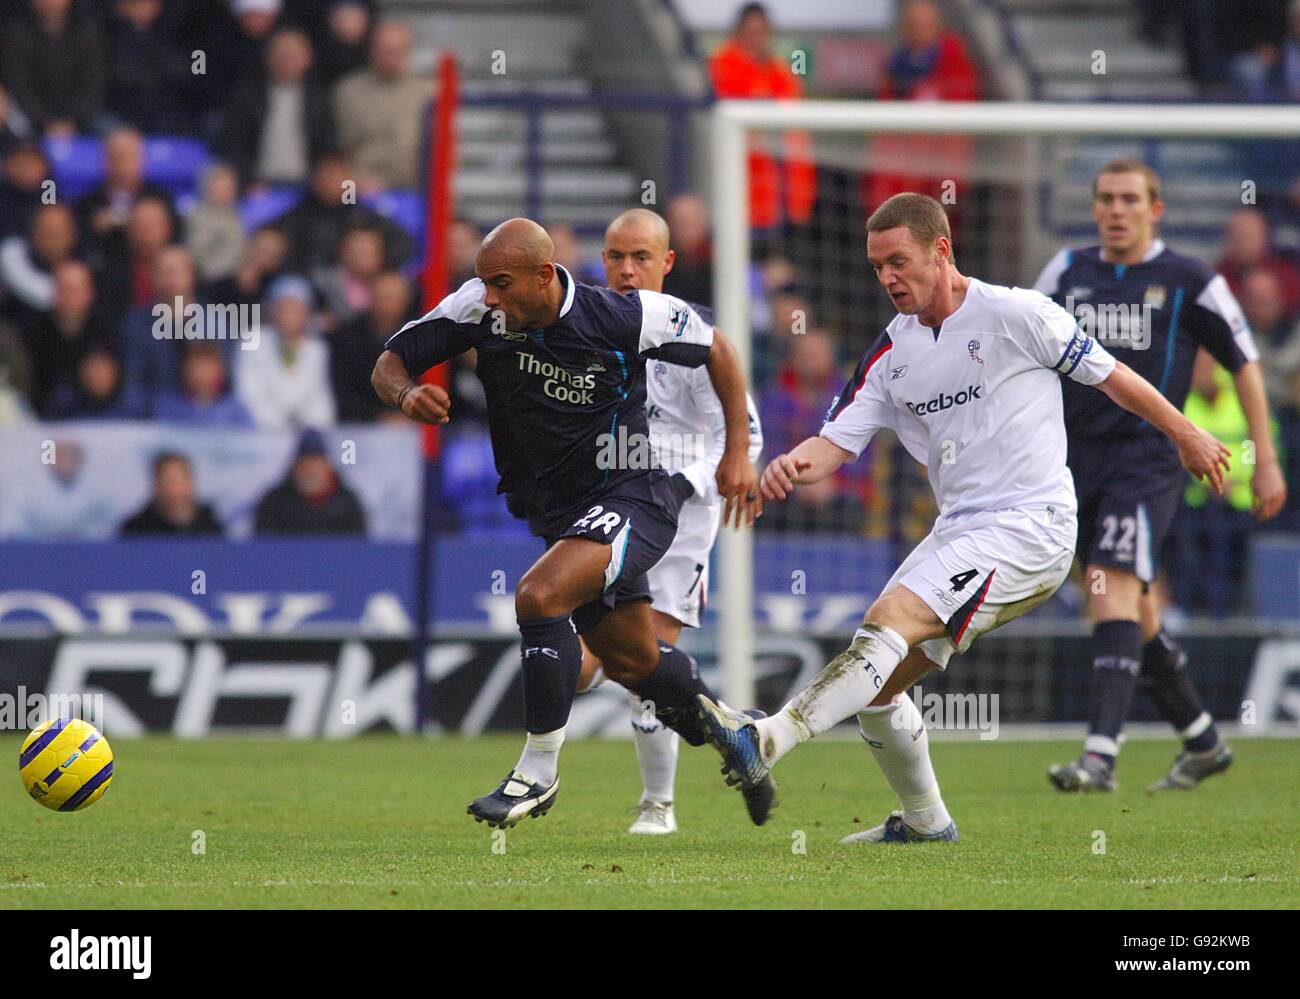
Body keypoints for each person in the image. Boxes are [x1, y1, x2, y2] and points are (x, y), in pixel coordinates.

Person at [696, 192, 1231, 838]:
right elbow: (836, 441)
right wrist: (792, 464)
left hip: (1032, 524)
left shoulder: (1017, 313)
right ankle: (925, 821)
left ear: (941, 249)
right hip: (960, 531)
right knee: (877, 685)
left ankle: (768, 736)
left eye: (899, 260)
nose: (888, 277)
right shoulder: (891, 353)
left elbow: (1114, 377)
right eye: (876, 266)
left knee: (884, 622)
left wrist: (1185, 433)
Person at [372, 217, 764, 828]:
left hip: (636, 495)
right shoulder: (480, 309)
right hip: (561, 512)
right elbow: (390, 360)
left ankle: (538, 773)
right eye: (484, 284)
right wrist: (404, 395)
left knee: (539, 595)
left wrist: (737, 449)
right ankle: (733, 730)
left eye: (502, 283)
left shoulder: (623, 317)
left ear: (544, 275)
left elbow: (720, 349)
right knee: (635, 663)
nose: (491, 297)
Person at [1034, 159, 1286, 792]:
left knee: (1111, 589)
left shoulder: (1188, 279)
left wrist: (1267, 460)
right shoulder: (1065, 273)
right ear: (1093, 208)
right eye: (1106, 199)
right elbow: (1025, 352)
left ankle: (1099, 757)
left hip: (1147, 459)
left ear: (1157, 208)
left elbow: (1244, 364)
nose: (1117, 210)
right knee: (1134, 607)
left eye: (1130, 199)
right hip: (1073, 462)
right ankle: (1202, 740)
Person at [571, 208, 763, 835]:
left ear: (668, 263)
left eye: (641, 258)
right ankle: (730, 728)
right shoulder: (589, 328)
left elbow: (746, 432)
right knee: (576, 666)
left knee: (644, 665)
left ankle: (659, 806)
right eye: (616, 257)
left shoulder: (692, 336)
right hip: (608, 507)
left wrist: (685, 485)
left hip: (679, 520)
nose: (627, 271)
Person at [707, 3, 814, 231]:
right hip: (739, 189)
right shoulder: (722, 67)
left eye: (762, 32)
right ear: (739, 32)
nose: (757, 38)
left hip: (779, 194)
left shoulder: (780, 71)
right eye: (751, 31)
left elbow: (796, 130)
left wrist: (801, 198)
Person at [253, 428, 366, 535]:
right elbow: (264, 544)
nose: (309, 471)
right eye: (303, 465)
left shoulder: (347, 503)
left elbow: (358, 546)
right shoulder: (275, 503)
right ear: (294, 468)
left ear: (327, 467)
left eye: (315, 464)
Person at [121, 451, 224, 536]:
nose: (173, 490)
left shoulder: (211, 526)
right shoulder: (136, 529)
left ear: (190, 482)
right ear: (156, 485)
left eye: (178, 481)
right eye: (167, 482)